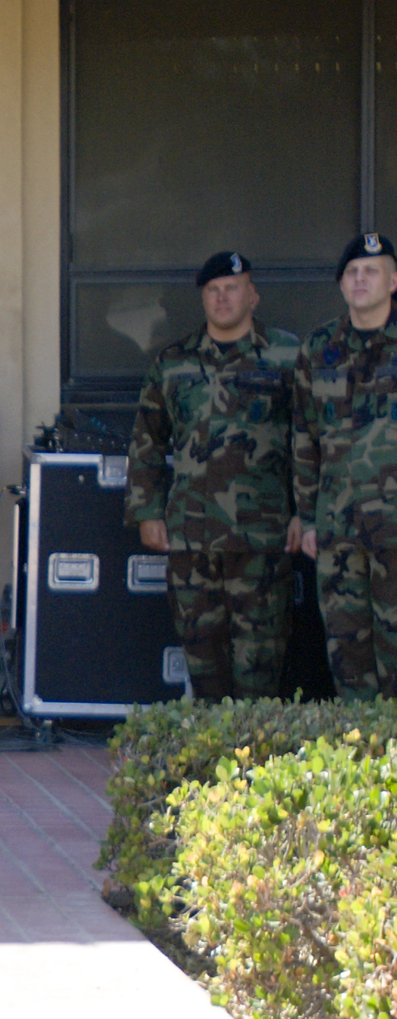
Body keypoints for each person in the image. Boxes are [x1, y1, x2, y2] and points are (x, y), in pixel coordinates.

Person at [124, 250, 297, 702]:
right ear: (203, 299)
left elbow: (312, 439)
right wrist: (147, 510)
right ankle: (213, 764)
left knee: (260, 664)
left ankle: (257, 767)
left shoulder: (288, 356)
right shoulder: (174, 361)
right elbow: (147, 439)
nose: (222, 298)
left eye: (232, 288)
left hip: (261, 538)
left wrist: (307, 516)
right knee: (203, 663)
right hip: (191, 538)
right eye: (213, 291)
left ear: (252, 295)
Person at [292, 229, 397, 698]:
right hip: (337, 529)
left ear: (392, 281)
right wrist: (307, 516)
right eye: (352, 273)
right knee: (347, 655)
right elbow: (305, 438)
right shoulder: (318, 349)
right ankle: (359, 763)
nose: (360, 280)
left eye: (371, 271)